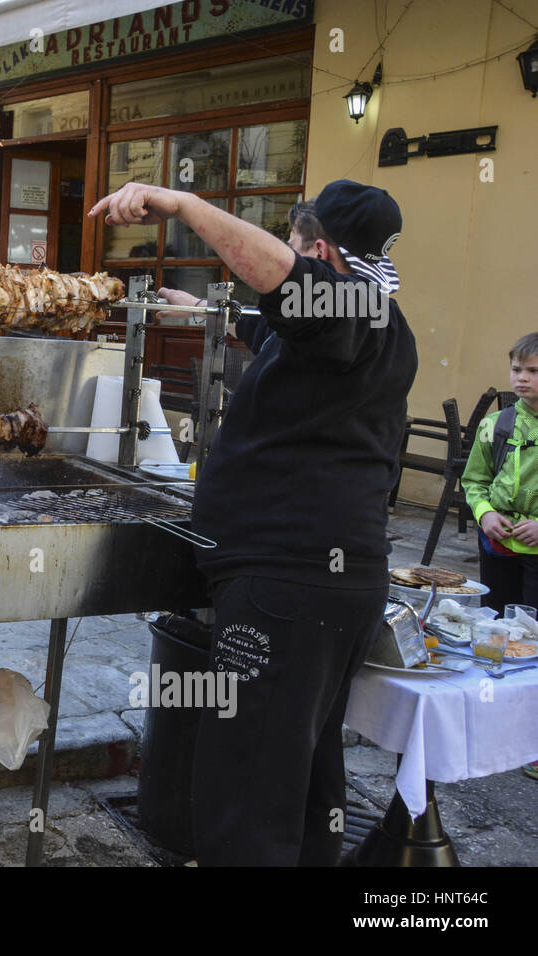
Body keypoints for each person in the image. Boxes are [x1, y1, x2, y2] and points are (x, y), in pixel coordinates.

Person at [90, 179, 417, 866]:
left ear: (321, 251)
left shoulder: (348, 306)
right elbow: (274, 325)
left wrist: (180, 205)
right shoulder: (378, 323)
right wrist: (199, 307)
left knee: (247, 793)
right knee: (304, 775)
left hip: (285, 591)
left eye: (298, 243)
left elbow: (286, 283)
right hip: (334, 586)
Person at [462, 334, 538, 611]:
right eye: (517, 370)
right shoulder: (494, 425)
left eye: (534, 371)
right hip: (498, 545)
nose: (522, 378)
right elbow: (473, 480)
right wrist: (485, 513)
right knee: (494, 624)